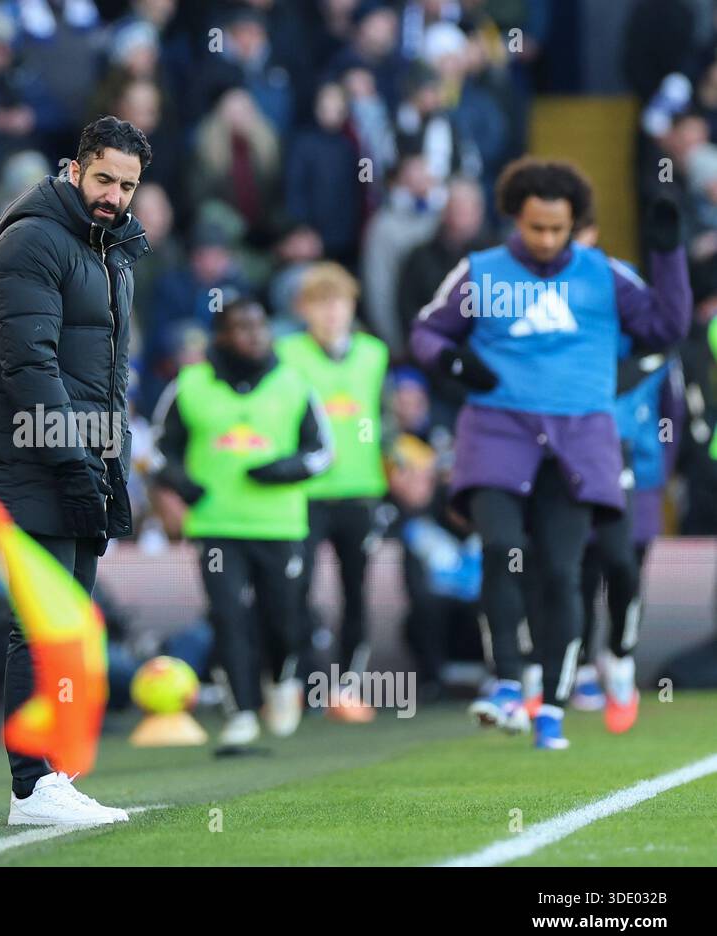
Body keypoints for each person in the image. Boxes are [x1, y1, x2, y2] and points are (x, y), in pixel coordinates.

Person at [410, 158, 691, 749]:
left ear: (574, 224)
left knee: (565, 571)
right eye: (534, 227)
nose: (544, 240)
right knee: (501, 547)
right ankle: (509, 683)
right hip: (498, 431)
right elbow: (426, 332)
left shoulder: (604, 274)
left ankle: (555, 704)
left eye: (556, 229)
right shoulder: (481, 271)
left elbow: (667, 328)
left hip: (579, 438)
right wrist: (454, 362)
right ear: (515, 217)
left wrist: (668, 256)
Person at [0, 115, 151, 825]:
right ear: (75, 169)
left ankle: (55, 774)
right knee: (39, 623)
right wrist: (74, 464)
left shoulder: (111, 248)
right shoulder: (35, 238)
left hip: (78, 453)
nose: (113, 195)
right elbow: (30, 367)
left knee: (68, 623)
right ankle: (30, 785)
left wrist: (112, 465)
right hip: (29, 454)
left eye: (127, 186)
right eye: (103, 178)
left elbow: (110, 372)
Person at [152, 296, 332, 747]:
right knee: (228, 617)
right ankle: (241, 711)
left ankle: (284, 682)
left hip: (280, 524)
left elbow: (322, 451)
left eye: (260, 326)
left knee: (283, 619)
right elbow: (156, 448)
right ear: (221, 336)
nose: (254, 335)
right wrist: (180, 483)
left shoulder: (294, 382)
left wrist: (284, 470)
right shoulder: (190, 384)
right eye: (241, 327)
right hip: (216, 526)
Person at [279, 263, 390, 722]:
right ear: (303, 309)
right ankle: (303, 683)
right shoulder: (286, 353)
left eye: (339, 302)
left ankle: (348, 687)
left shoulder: (374, 353)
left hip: (361, 489)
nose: (330, 313)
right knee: (296, 588)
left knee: (355, 590)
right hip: (305, 492)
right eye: (320, 303)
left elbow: (382, 417)